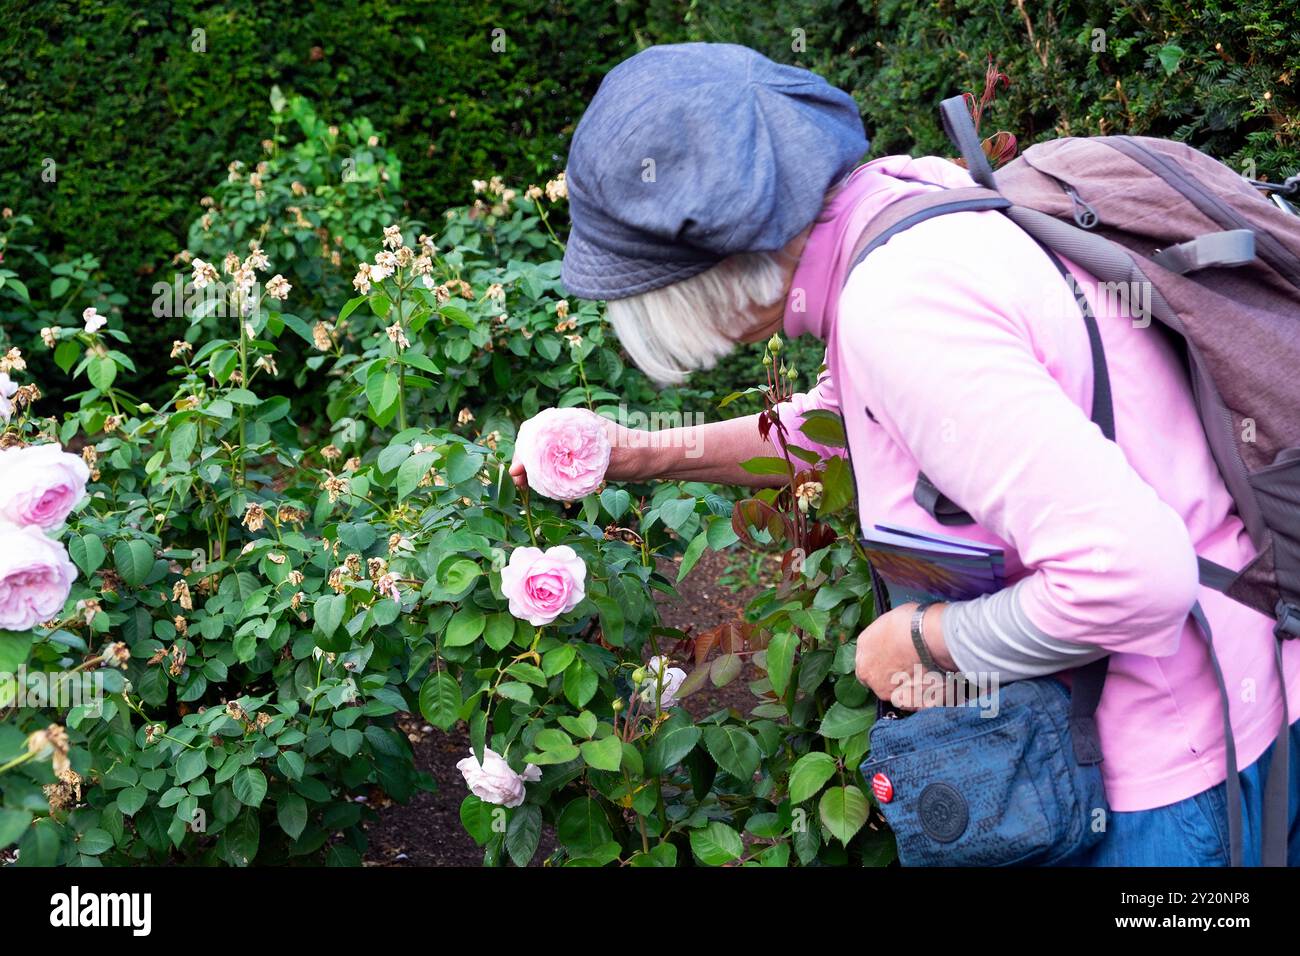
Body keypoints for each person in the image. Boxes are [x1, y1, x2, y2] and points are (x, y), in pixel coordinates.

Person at [509, 42, 1300, 865]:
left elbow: (1135, 580)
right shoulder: (915, 205)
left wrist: (918, 640)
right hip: (1249, 693)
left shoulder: (902, 307)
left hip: (1177, 777)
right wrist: (640, 453)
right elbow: (840, 429)